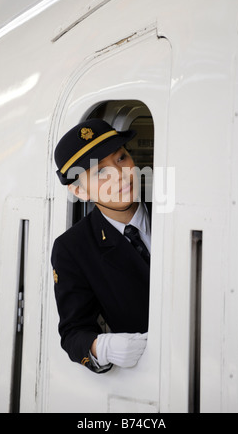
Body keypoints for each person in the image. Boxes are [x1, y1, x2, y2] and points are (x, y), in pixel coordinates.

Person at [51, 118, 151, 373]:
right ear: (80, 191)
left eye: (121, 158)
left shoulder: (179, 210)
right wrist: (101, 347)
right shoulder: (73, 248)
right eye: (100, 172)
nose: (120, 176)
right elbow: (73, 333)